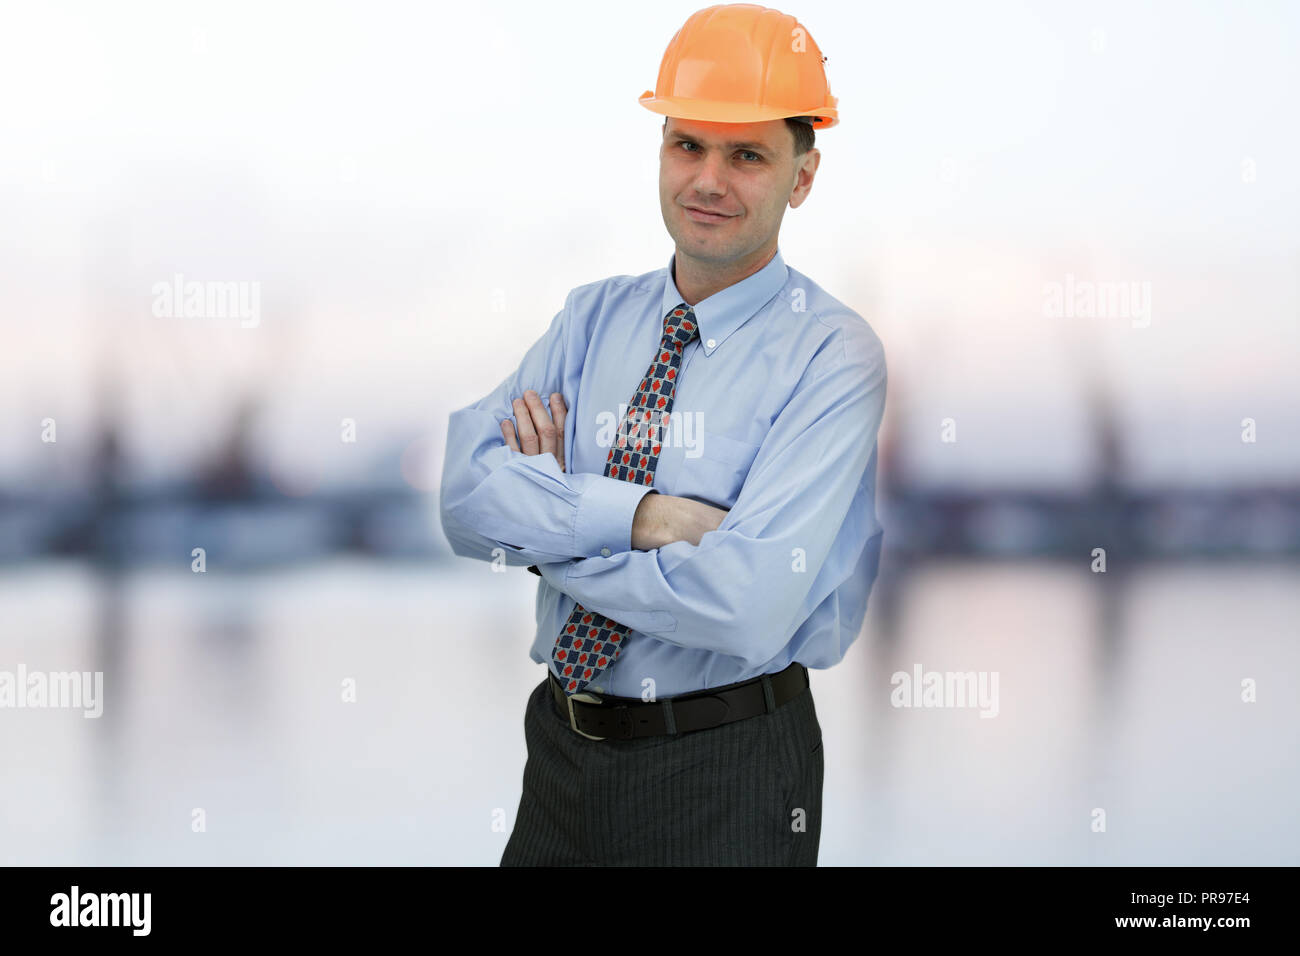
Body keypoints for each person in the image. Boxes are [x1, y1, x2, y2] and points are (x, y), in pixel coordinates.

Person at [439, 2, 886, 866]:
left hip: (729, 768)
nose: (708, 180)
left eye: (746, 155)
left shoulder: (833, 355)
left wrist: (550, 527)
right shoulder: (590, 318)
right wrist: (646, 517)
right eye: (687, 145)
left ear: (803, 176)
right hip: (562, 754)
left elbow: (747, 603)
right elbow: (464, 501)